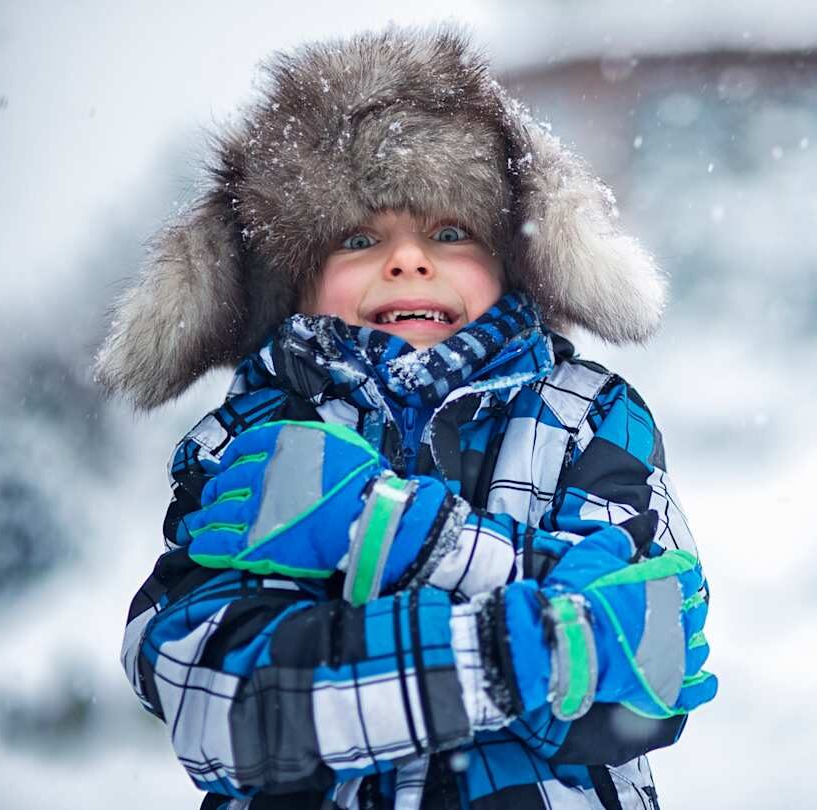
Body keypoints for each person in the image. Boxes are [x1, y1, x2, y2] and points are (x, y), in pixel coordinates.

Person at [98, 26, 717, 810]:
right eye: (359, 238)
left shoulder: (589, 417)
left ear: (513, 258)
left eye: (450, 231)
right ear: (295, 277)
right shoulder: (248, 443)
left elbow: (653, 662)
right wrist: (534, 649)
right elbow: (222, 707)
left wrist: (394, 535)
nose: (407, 260)